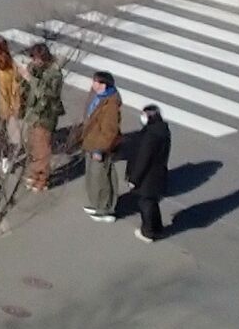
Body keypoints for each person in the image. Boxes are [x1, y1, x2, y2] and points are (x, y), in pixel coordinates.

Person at [76, 70, 128, 219]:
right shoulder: (98, 96)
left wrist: (100, 149)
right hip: (91, 142)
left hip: (99, 147)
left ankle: (105, 209)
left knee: (102, 178)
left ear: (105, 85)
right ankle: (97, 204)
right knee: (93, 177)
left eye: (97, 82)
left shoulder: (110, 105)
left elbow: (109, 131)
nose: (93, 84)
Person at [18, 40, 69, 190]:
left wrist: (30, 78)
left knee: (42, 147)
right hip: (33, 112)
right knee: (32, 144)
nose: (34, 62)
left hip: (46, 114)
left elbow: (48, 94)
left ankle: (41, 179)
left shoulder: (55, 74)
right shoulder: (35, 68)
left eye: (36, 59)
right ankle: (34, 173)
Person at [122, 102, 177, 240]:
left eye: (144, 115)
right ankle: (157, 228)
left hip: (148, 177)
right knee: (152, 202)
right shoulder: (162, 130)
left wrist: (134, 179)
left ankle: (149, 232)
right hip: (158, 173)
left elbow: (143, 159)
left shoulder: (150, 135)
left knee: (146, 203)